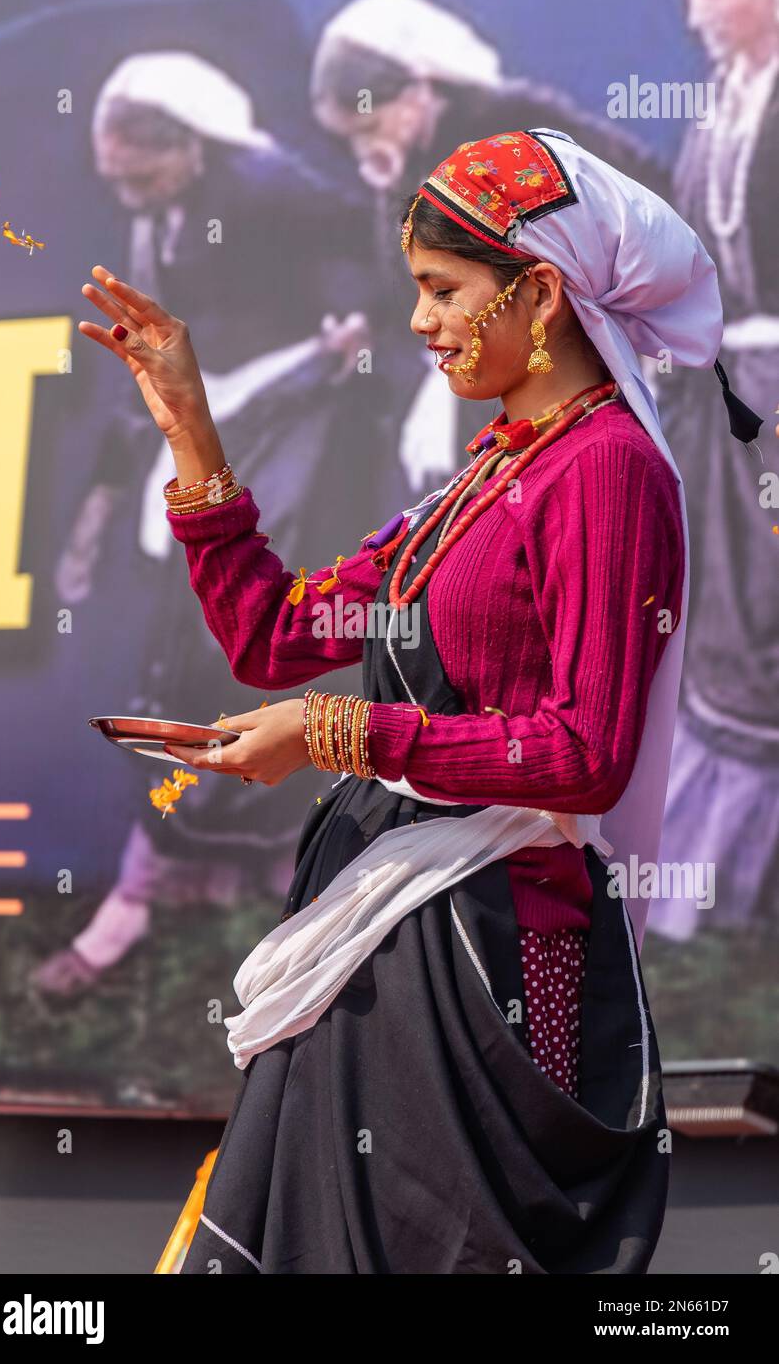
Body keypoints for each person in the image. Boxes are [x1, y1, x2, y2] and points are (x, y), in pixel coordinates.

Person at [77, 127, 741, 1273]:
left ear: (538, 292)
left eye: (444, 291)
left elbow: (585, 751)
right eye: (416, 293)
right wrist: (188, 421)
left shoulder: (606, 470)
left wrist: (338, 731)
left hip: (495, 946)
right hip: (388, 924)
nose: (422, 322)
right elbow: (273, 631)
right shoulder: (483, 479)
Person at [34, 52, 372, 996]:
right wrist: (99, 506)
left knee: (252, 658)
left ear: (190, 146)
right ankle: (160, 886)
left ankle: (300, 905)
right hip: (205, 448)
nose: (127, 188)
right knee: (181, 656)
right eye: (115, 176)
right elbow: (146, 376)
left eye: (140, 169)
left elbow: (371, 237)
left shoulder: (264, 186)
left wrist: (349, 327)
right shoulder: (155, 225)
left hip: (292, 450)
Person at [309, 0, 673, 500]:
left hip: (547, 369)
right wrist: (367, 322)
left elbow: (645, 198)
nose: (365, 149)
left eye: (371, 127)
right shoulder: (409, 160)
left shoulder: (512, 130)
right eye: (352, 139)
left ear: (419, 91)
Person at [648, 0, 779, 943]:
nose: (695, 11)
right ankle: (725, 898)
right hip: (731, 402)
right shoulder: (719, 104)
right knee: (727, 626)